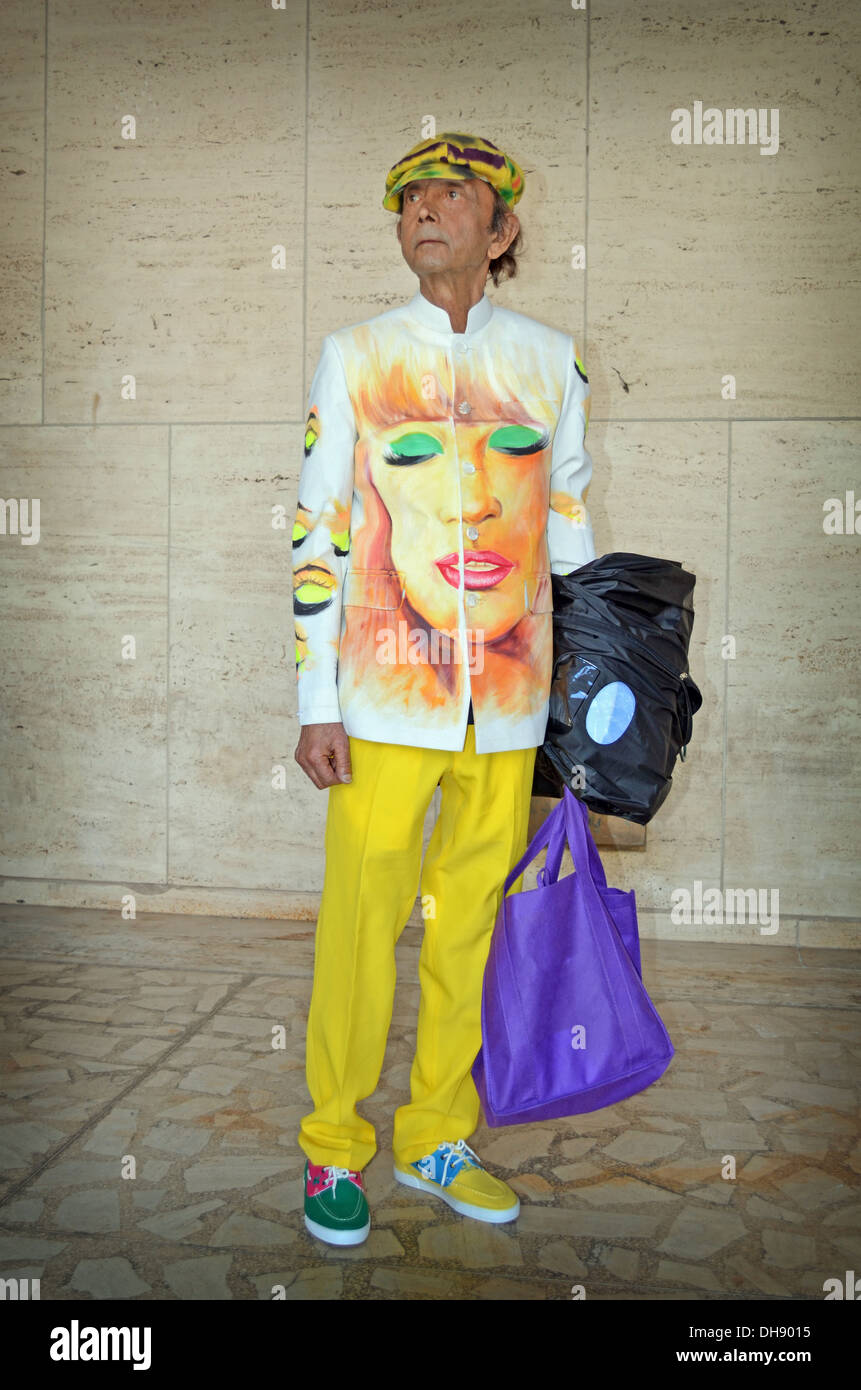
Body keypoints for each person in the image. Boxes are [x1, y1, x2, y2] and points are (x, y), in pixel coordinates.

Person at [292, 132, 596, 1246]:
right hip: (381, 697)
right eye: (411, 197)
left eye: (452, 195)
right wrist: (314, 700)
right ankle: (334, 1145)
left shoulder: (552, 359)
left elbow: (568, 523)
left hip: (511, 703)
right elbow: (318, 528)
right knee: (362, 925)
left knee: (469, 922)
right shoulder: (357, 353)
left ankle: (435, 1133)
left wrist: (590, 691)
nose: (426, 210)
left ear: (501, 228)